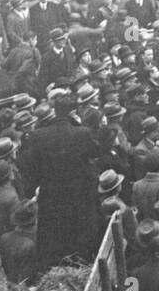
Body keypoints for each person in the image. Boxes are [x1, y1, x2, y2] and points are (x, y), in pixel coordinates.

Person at [23, 91, 101, 270]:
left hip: (51, 195)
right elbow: (96, 152)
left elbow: (32, 167)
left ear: (55, 111)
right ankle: (82, 262)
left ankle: (58, 264)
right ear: (73, 112)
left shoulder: (38, 136)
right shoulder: (82, 133)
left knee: (56, 232)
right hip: (78, 194)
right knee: (79, 231)